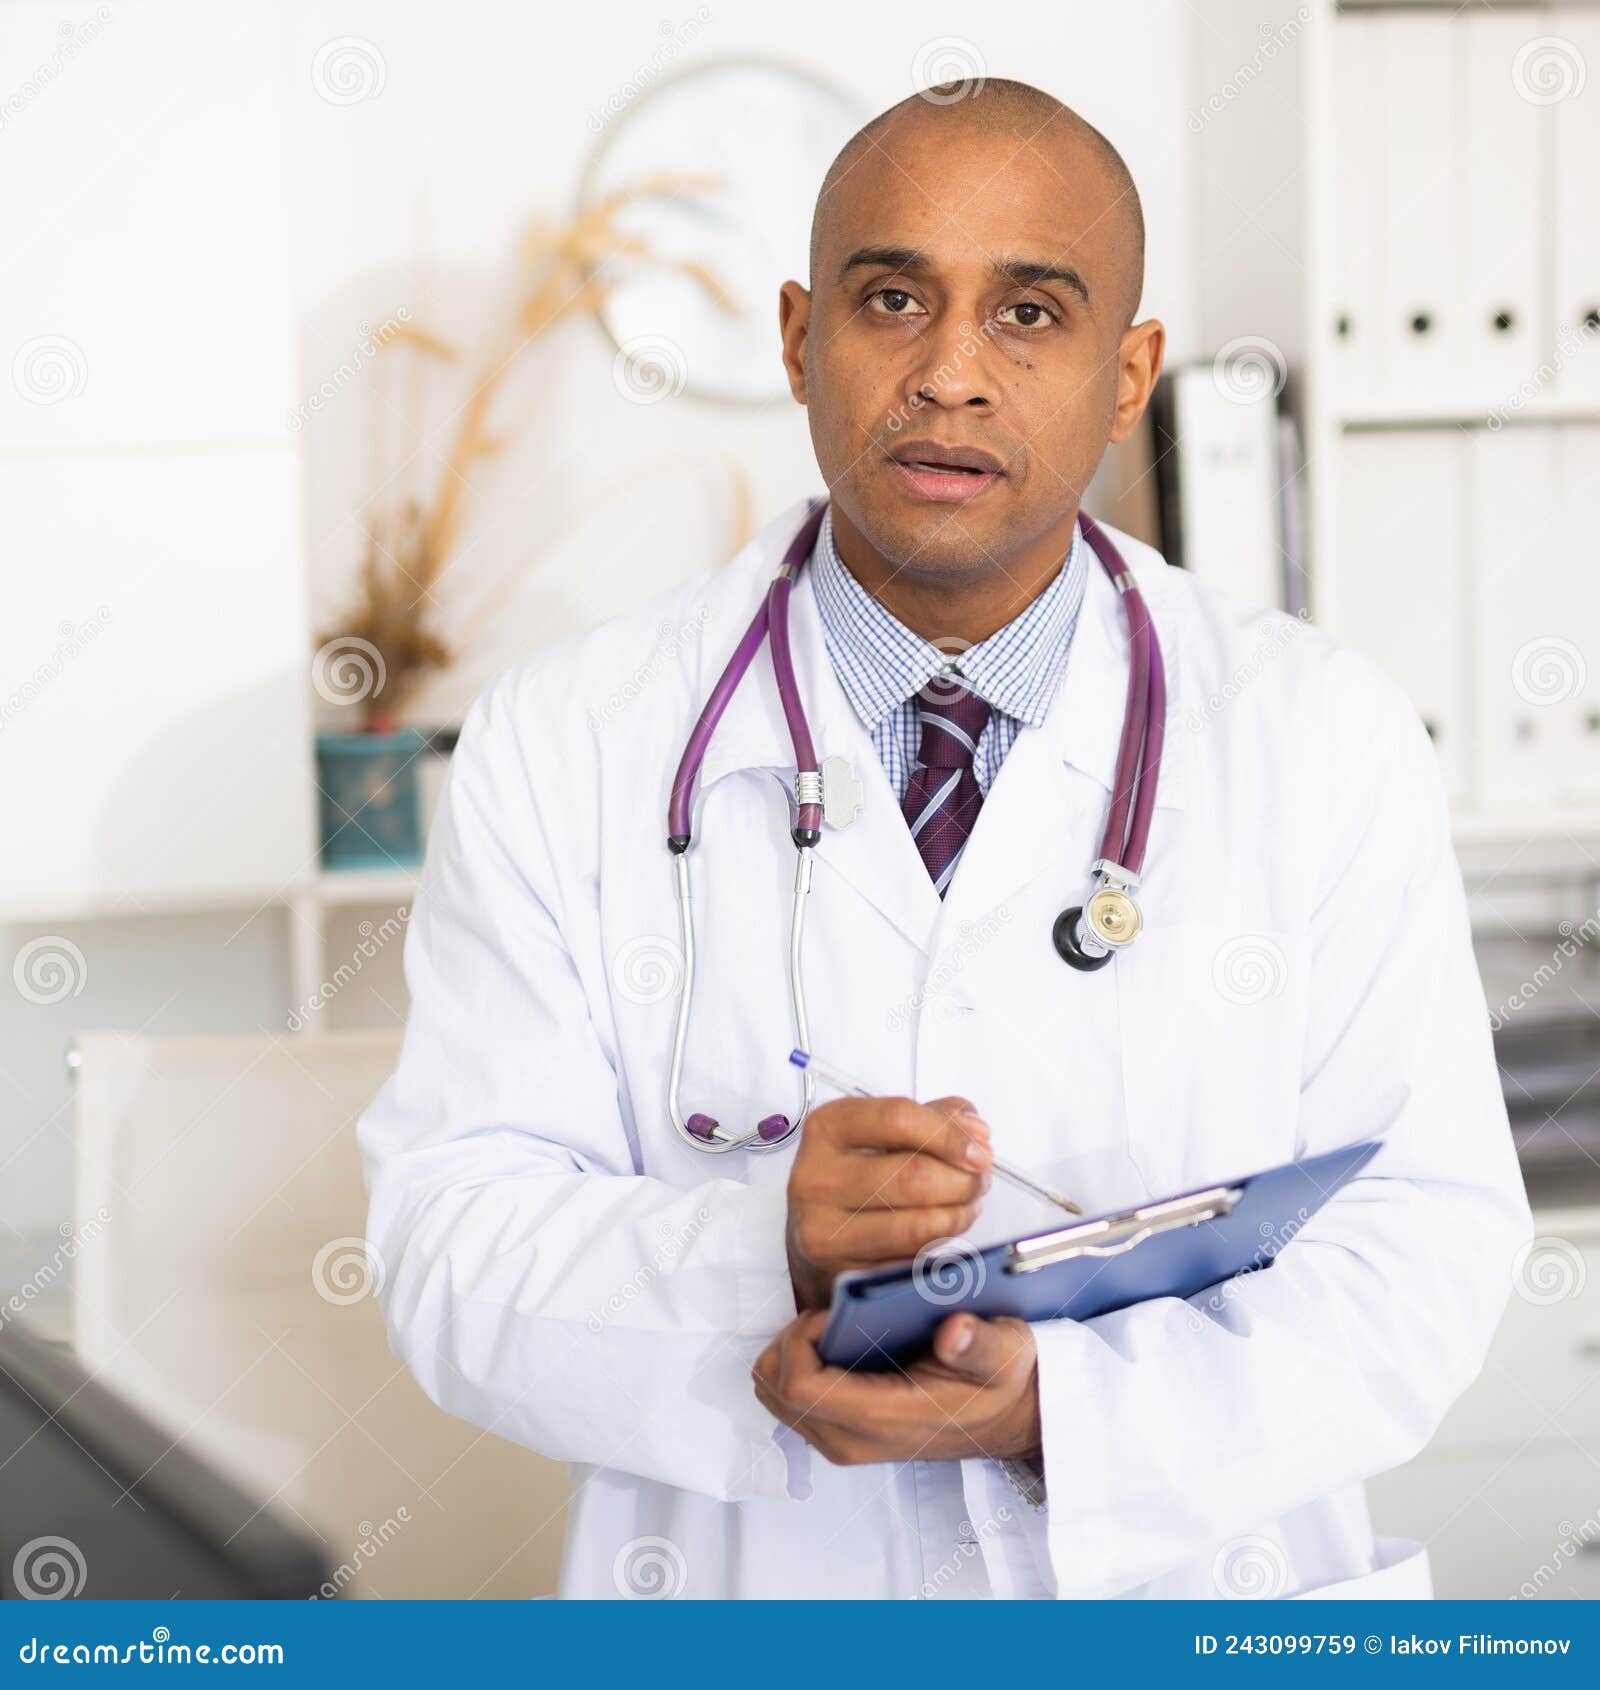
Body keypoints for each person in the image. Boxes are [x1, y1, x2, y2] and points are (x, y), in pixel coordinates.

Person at [358, 78, 1530, 1600]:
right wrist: (762, 1257)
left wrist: (1069, 1413)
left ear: (1130, 373)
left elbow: (1425, 1242)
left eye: (1030, 314)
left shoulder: (1323, 734)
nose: (952, 374)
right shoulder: (564, 739)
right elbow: (448, 1247)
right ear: (796, 337)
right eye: (893, 298)